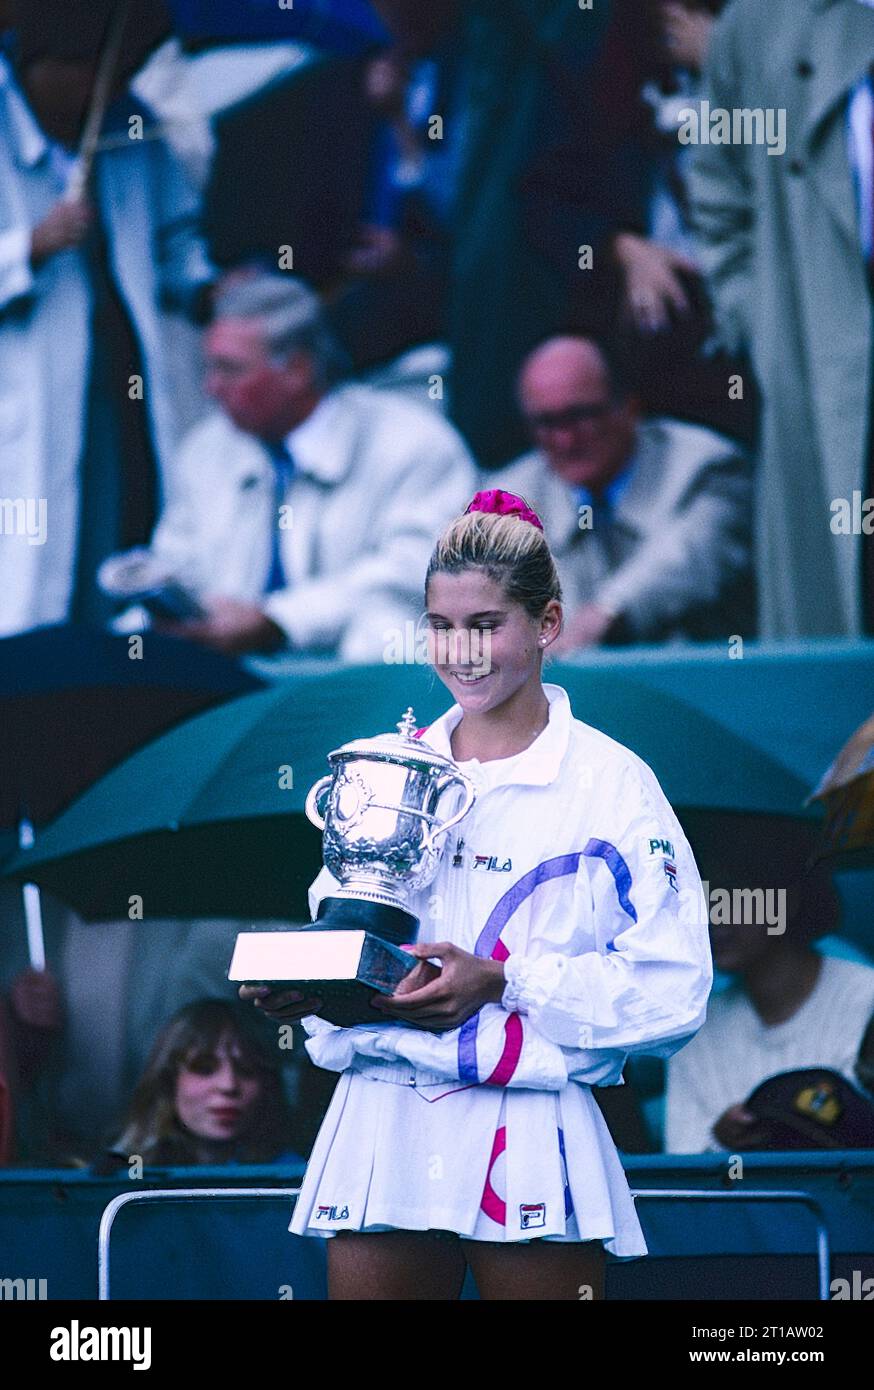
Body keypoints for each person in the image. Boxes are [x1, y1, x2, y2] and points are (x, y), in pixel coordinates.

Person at [242, 488, 713, 1301]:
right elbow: (350, 937)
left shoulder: (614, 786)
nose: (461, 651)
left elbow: (675, 992)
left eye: (487, 625)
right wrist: (313, 992)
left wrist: (505, 980)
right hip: (382, 1115)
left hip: (530, 1122)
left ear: (549, 624)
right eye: (442, 625)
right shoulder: (383, 767)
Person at [118, 272, 476, 660]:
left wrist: (278, 620)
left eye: (230, 370)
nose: (211, 387)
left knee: (388, 629)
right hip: (222, 672)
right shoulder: (205, 449)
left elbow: (416, 574)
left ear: (297, 371)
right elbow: (176, 560)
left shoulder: (414, 442)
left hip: (353, 680)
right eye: (211, 368)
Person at [0, 11, 214, 635]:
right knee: (31, 548)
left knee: (115, 520)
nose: (101, 86)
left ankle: (103, 663)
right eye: (83, 69)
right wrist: (27, 248)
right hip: (25, 392)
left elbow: (179, 239)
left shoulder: (133, 122)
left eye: (110, 69)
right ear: (36, 65)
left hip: (121, 379)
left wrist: (205, 287)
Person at [688, 0, 874, 637]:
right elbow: (717, 190)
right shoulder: (762, 22)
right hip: (821, 351)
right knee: (844, 605)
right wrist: (761, 319)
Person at [490, 336, 753, 650]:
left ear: (629, 408)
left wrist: (606, 613)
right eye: (547, 423)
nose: (565, 440)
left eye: (580, 417)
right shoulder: (507, 499)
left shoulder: (708, 466)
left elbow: (687, 556)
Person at [664, 860, 874, 1153]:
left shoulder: (865, 998)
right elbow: (683, 1170)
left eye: (734, 896)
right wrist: (721, 1140)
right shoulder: (696, 1024)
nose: (715, 915)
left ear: (787, 901)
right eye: (703, 897)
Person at [96, 999, 302, 1171]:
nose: (228, 1085)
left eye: (246, 1069)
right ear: (168, 1081)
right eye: (204, 1068)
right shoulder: (126, 1173)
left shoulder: (297, 1176)